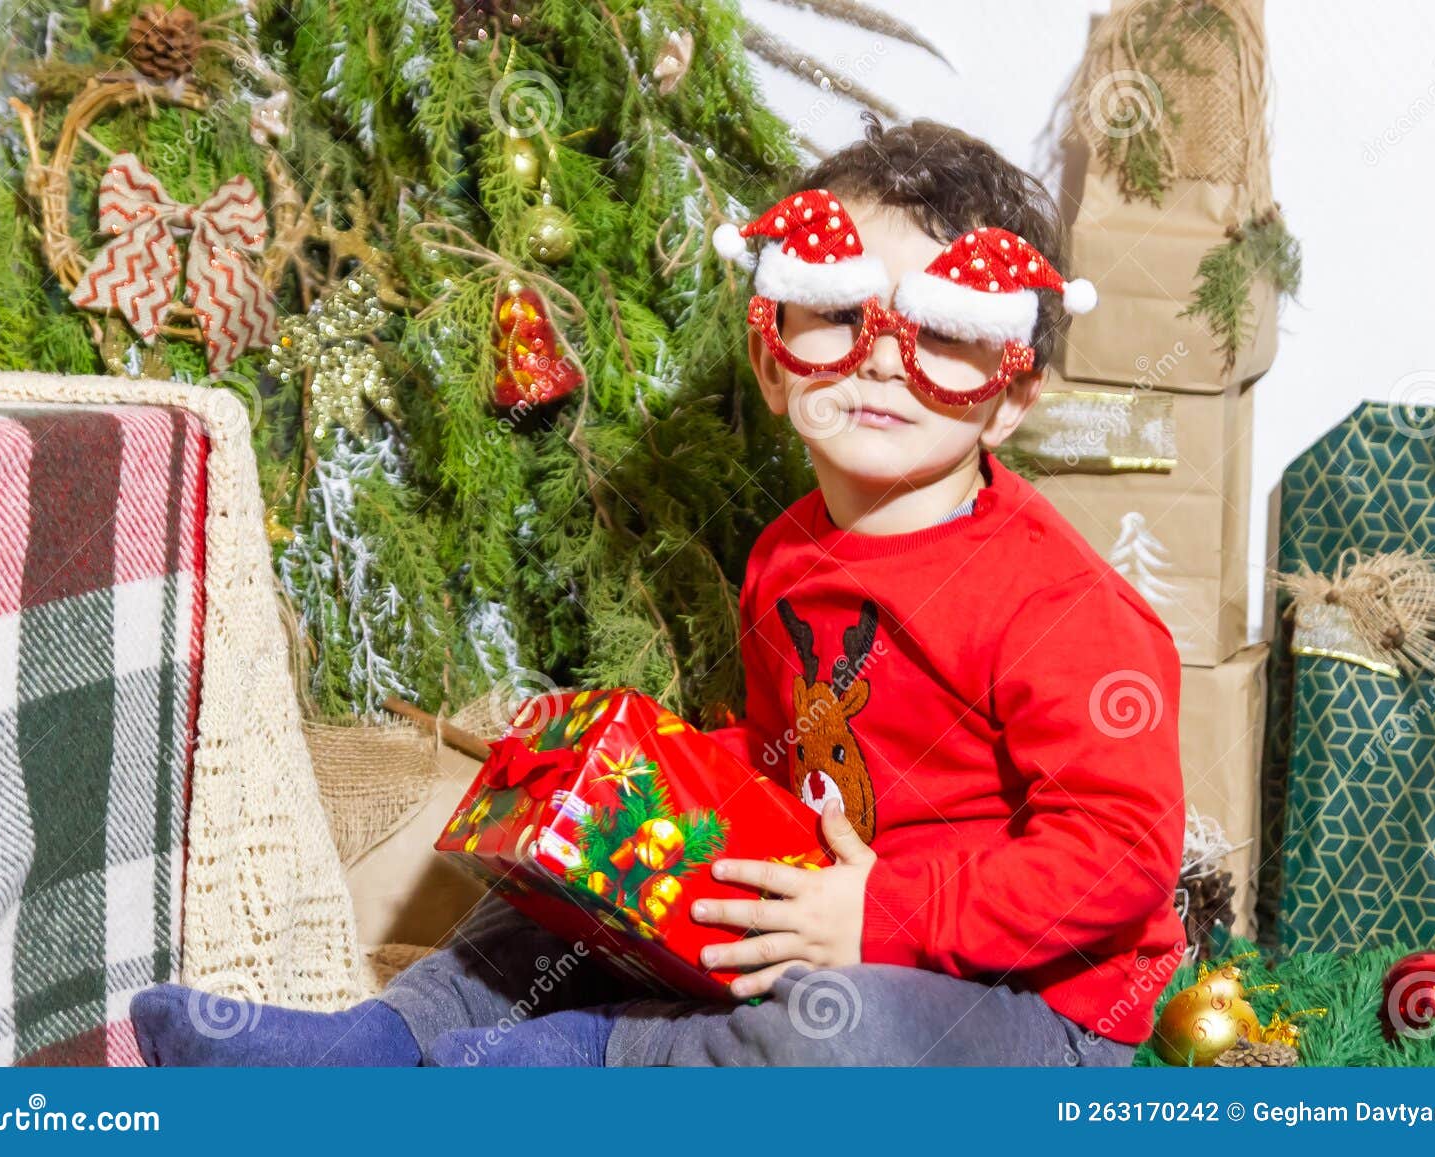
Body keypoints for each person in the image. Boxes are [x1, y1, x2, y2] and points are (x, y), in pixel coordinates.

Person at [131, 118, 1186, 1067]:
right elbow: (792, 766)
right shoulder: (789, 553)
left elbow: (1121, 859)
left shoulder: (1061, 608)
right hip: (820, 905)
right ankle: (381, 1039)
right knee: (579, 863)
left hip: (1025, 1001)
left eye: (942, 328)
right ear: (773, 359)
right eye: (833, 312)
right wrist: (635, 777)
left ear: (1007, 397)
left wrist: (882, 911)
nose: (877, 361)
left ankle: (578, 1063)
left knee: (831, 1028)